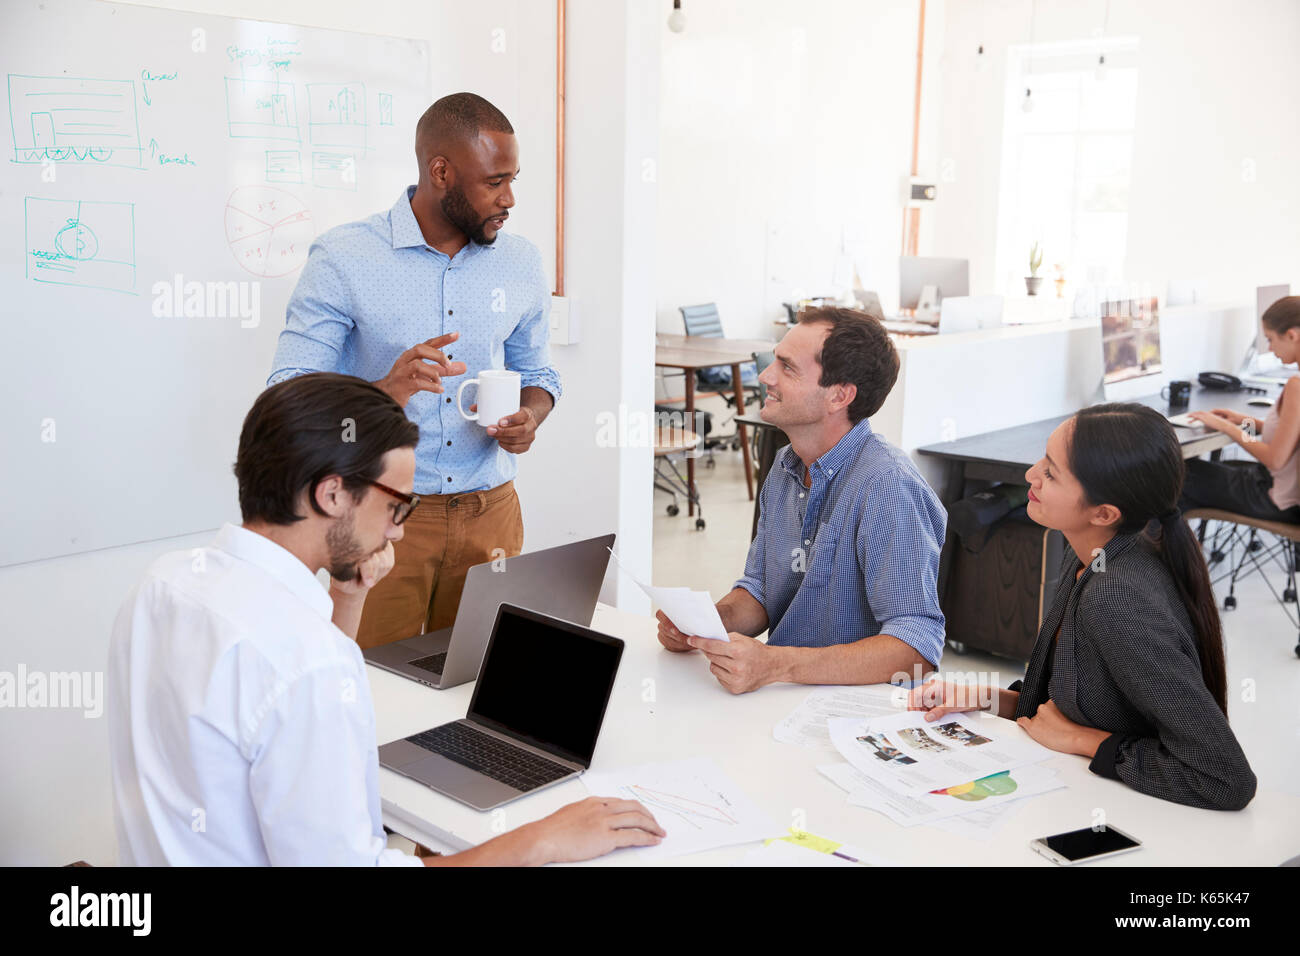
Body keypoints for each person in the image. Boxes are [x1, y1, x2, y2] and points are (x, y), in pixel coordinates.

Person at [108, 373, 663, 865]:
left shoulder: (163, 583)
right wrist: (538, 840)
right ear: (331, 494)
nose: (398, 531)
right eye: (399, 505)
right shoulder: (306, 662)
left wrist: (349, 595)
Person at [268, 92, 560, 649]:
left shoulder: (520, 261)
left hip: (491, 512)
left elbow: (538, 372)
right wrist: (383, 393)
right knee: (370, 688)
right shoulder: (343, 257)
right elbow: (286, 395)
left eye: (513, 178)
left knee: (482, 689)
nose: (510, 198)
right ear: (441, 172)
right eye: (494, 182)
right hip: (380, 516)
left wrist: (531, 414)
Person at [909, 403, 1256, 811]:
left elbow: (1225, 779)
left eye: (1051, 473)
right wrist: (982, 697)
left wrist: (1082, 740)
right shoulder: (1090, 554)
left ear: (1104, 513)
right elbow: (1061, 707)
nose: (1030, 475)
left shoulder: (1116, 598)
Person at [656, 307, 947, 692]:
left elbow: (916, 647)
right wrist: (708, 624)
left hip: (859, 718)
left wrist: (777, 664)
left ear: (839, 396)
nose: (765, 377)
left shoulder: (888, 486)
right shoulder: (784, 466)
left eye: (787, 367)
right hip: (790, 702)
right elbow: (761, 589)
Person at [1180, 295, 1300, 523]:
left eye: (1270, 339)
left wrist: (1228, 428)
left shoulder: (1297, 386)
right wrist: (1245, 421)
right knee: (1200, 474)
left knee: (1178, 476)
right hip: (1286, 495)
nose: (1270, 348)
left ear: (1292, 335)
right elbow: (1291, 437)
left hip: (1275, 498)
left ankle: (1158, 558)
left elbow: (1275, 459)